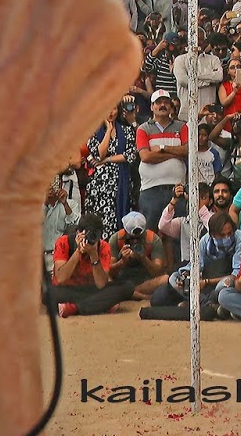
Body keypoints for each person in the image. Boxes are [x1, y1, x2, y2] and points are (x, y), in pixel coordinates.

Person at [50, 212, 142, 318]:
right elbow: (61, 278)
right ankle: (101, 304)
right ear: (78, 232)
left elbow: (101, 284)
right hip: (67, 289)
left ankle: (74, 308)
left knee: (127, 287)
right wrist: (78, 252)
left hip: (91, 288)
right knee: (48, 293)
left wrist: (94, 255)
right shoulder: (63, 242)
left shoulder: (103, 247)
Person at [135, 90, 188, 226]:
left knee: (177, 235)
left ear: (171, 106)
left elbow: (187, 150)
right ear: (152, 107)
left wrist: (162, 148)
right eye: (158, 103)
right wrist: (176, 153)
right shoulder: (143, 129)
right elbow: (145, 156)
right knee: (150, 235)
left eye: (166, 102)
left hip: (177, 189)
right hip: (150, 191)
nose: (162, 105)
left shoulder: (181, 126)